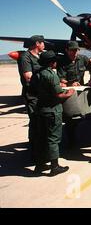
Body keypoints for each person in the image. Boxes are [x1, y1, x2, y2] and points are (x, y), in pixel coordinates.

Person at [34, 51, 75, 176]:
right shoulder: (52, 75)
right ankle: (54, 166)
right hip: (52, 110)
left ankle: (40, 164)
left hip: (40, 109)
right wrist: (69, 93)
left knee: (41, 137)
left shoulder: (37, 73)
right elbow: (59, 94)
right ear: (51, 62)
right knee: (53, 139)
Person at [57, 41, 91, 149]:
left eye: (76, 50)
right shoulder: (62, 61)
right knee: (70, 118)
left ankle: (85, 136)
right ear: (66, 50)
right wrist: (70, 83)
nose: (74, 52)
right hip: (69, 92)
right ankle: (72, 141)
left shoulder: (83, 59)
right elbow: (60, 78)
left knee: (86, 115)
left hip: (81, 90)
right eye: (72, 50)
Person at [17, 35, 45, 163]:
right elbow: (28, 77)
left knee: (41, 123)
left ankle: (40, 152)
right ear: (36, 44)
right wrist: (47, 80)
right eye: (42, 42)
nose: (44, 45)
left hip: (41, 94)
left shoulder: (39, 57)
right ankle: (35, 154)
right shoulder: (25, 57)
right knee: (35, 122)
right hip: (32, 95)